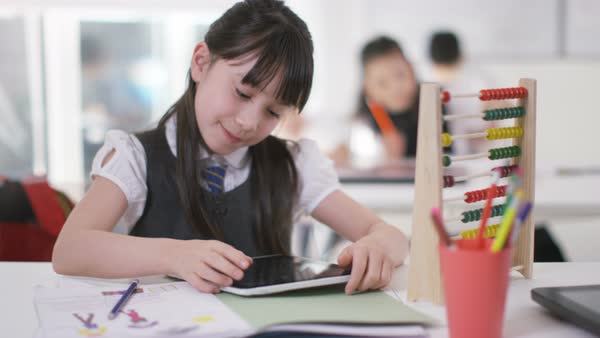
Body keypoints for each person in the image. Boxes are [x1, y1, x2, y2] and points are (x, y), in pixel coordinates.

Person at [52, 0, 409, 296]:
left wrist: (378, 247)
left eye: (273, 112)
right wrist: (174, 255)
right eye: (242, 93)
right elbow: (70, 250)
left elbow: (389, 236)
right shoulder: (136, 156)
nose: (250, 122)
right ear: (201, 62)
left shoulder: (293, 164)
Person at [428, 30, 493, 155]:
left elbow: (490, 124)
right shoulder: (428, 83)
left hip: (472, 153)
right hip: (446, 153)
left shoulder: (478, 80)